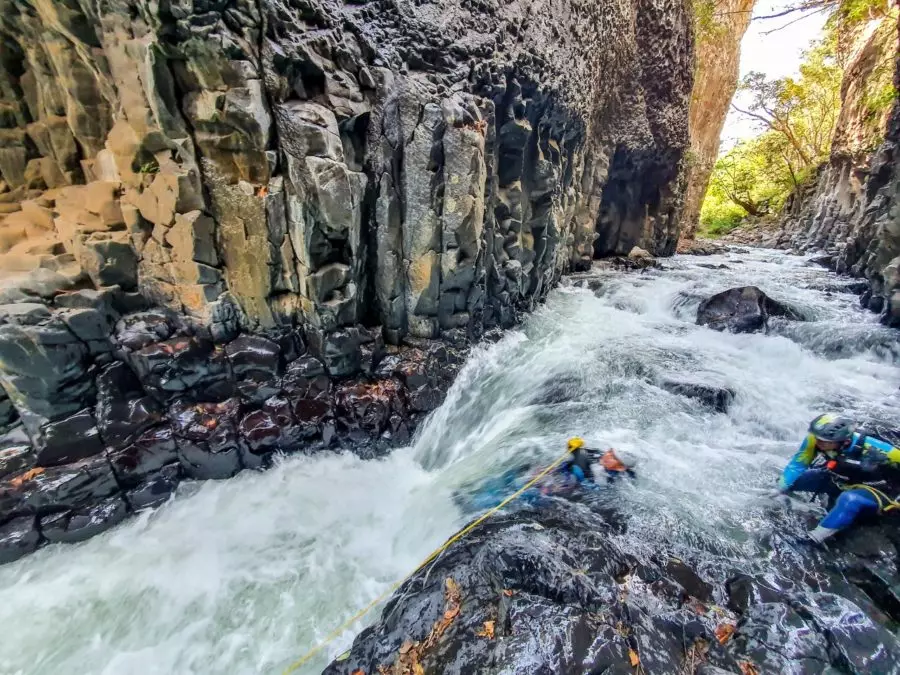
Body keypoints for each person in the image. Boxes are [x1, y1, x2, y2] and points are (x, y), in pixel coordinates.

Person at [778, 413, 900, 543]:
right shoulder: (815, 439)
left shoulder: (876, 448)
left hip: (876, 489)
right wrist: (780, 487)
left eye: (824, 441)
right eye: (817, 438)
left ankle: (815, 539)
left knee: (849, 499)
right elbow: (798, 464)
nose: (817, 442)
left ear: (844, 440)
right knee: (793, 481)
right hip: (839, 479)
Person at [560, 437, 637, 486]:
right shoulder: (596, 453)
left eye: (613, 457)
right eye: (610, 452)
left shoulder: (613, 476)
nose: (609, 454)